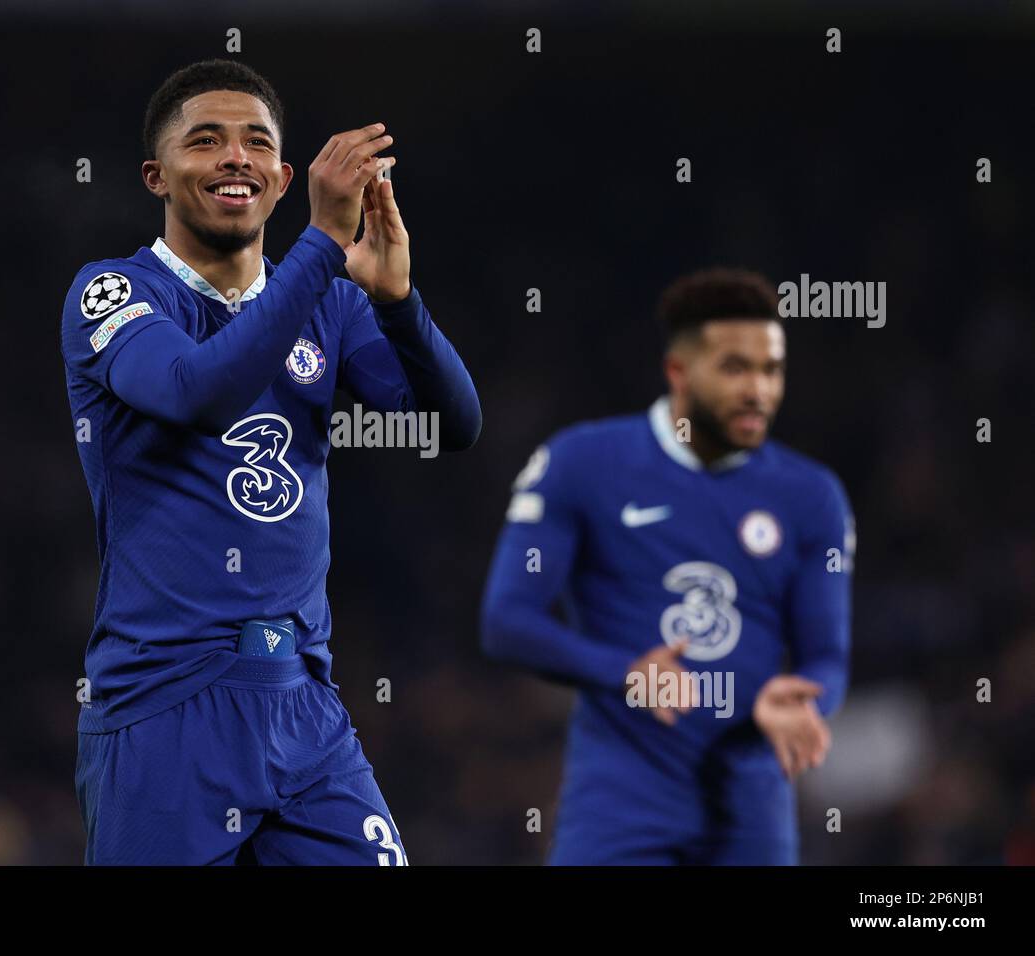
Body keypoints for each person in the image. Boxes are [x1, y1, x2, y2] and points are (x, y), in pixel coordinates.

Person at [62, 59, 480, 864]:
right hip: (165, 706)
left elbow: (452, 422)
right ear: (157, 174)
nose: (235, 157)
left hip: (304, 706)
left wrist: (398, 302)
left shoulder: (328, 299)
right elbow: (196, 391)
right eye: (206, 140)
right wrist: (321, 245)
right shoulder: (111, 294)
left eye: (257, 143)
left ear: (283, 178)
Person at [481, 267, 853, 864]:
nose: (759, 390)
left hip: (751, 817)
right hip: (618, 813)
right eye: (735, 368)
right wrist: (624, 672)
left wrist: (807, 701)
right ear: (679, 372)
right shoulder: (583, 463)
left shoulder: (811, 496)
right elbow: (507, 620)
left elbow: (826, 658)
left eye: (771, 369)